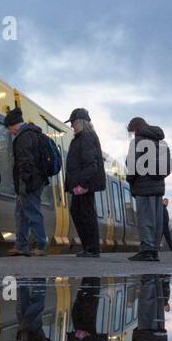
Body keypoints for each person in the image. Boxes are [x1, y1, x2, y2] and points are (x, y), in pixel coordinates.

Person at [3, 108, 49, 257]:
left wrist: (23, 182)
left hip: (29, 183)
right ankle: (21, 245)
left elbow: (26, 162)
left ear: (13, 125)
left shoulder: (24, 137)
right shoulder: (33, 133)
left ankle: (40, 245)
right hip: (35, 180)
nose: (10, 132)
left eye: (9, 129)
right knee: (21, 213)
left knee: (32, 212)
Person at [126, 116, 170, 261]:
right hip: (158, 189)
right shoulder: (162, 143)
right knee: (157, 220)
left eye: (132, 132)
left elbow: (131, 165)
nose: (132, 135)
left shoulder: (138, 142)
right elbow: (168, 168)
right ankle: (154, 251)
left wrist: (130, 181)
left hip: (143, 188)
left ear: (137, 129)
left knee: (145, 219)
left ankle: (146, 250)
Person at [64, 108, 106, 257]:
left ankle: (92, 249)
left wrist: (83, 185)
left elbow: (91, 165)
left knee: (85, 214)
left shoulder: (86, 137)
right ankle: (89, 247)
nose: (71, 126)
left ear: (80, 122)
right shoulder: (83, 137)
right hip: (80, 185)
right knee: (79, 212)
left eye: (73, 123)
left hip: (83, 185)